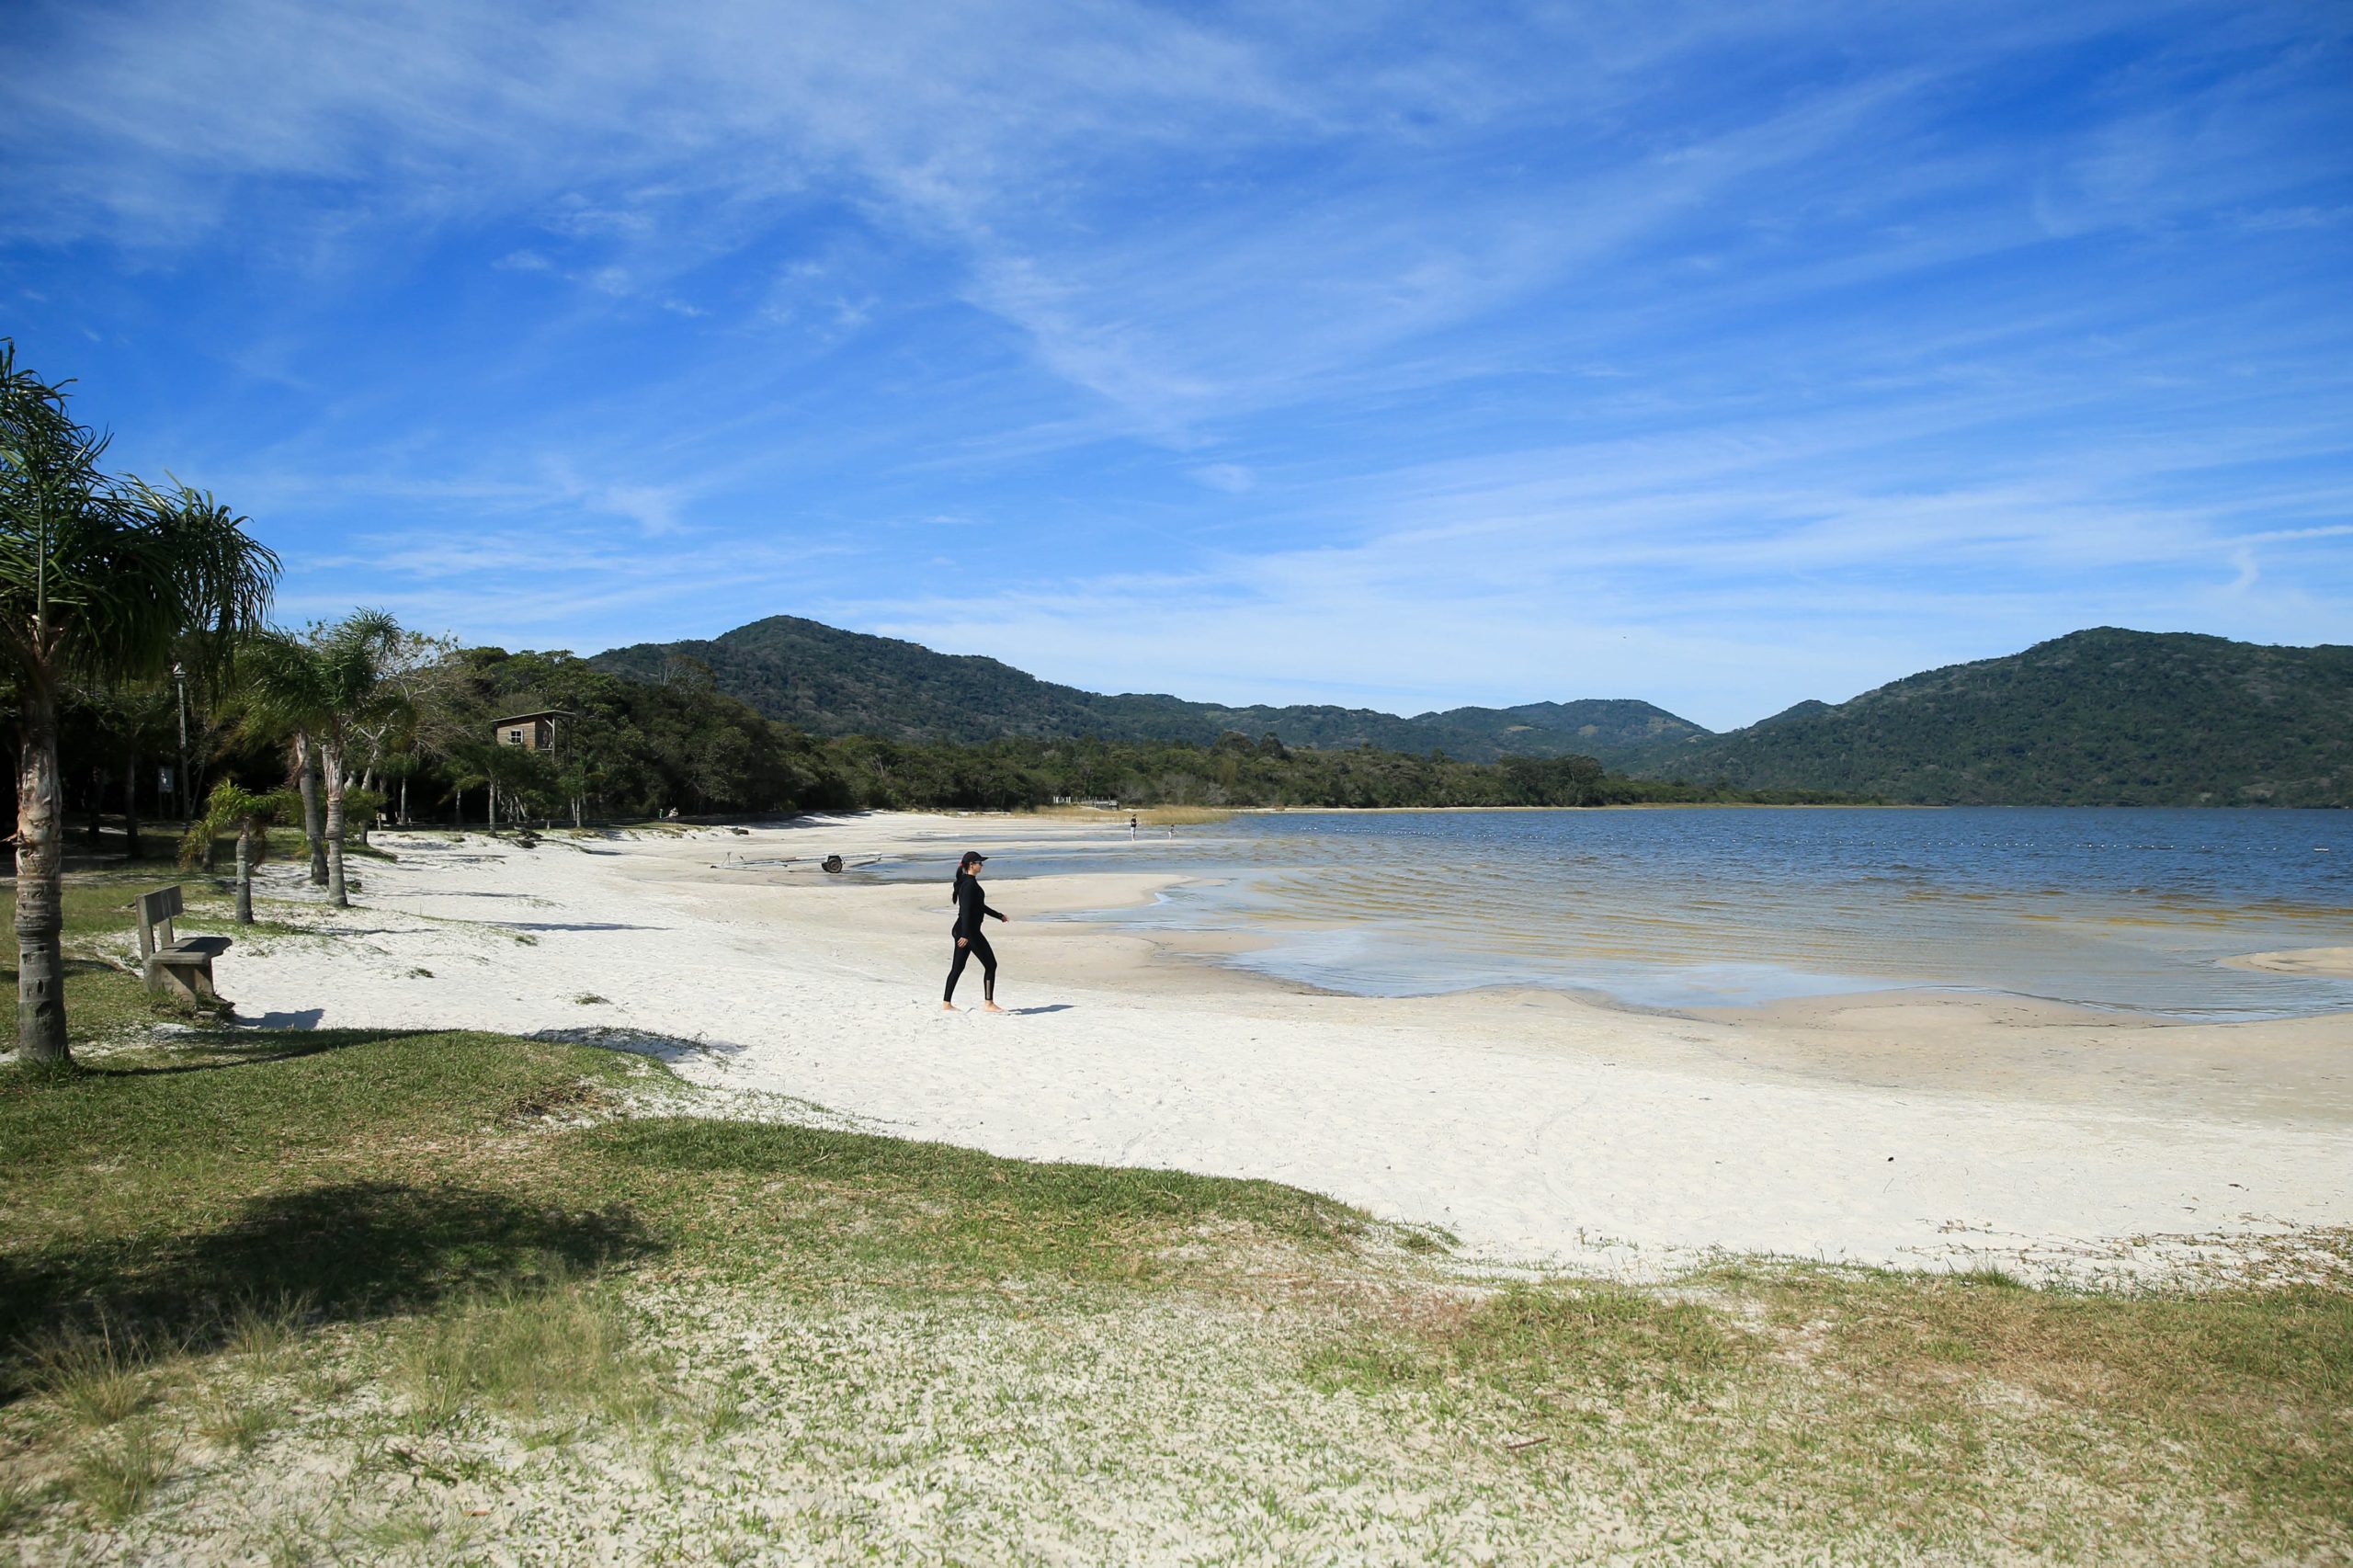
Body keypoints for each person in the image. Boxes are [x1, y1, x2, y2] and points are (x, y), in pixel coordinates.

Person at [942, 850, 1009, 1011]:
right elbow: (965, 910)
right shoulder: (970, 884)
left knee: (958, 967)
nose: (982, 865)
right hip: (968, 931)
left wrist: (998, 916)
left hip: (962, 929)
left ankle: (946, 1004)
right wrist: (965, 934)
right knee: (991, 965)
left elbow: (979, 906)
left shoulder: (967, 881)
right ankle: (989, 1003)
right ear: (972, 865)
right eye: (980, 862)